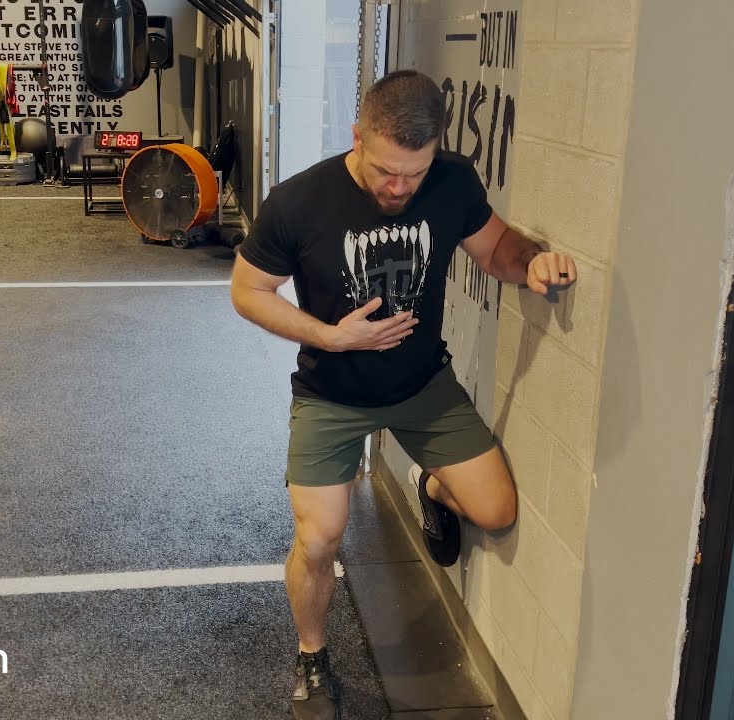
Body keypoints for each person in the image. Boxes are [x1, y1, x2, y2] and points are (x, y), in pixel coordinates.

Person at [229, 69, 578, 720]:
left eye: (412, 175)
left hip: (423, 386)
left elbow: (497, 248)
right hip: (331, 394)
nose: (398, 187)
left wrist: (531, 262)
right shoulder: (298, 202)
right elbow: (247, 291)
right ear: (357, 137)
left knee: (497, 511)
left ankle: (433, 486)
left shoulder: (452, 182)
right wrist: (330, 337)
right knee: (320, 540)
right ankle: (312, 657)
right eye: (386, 171)